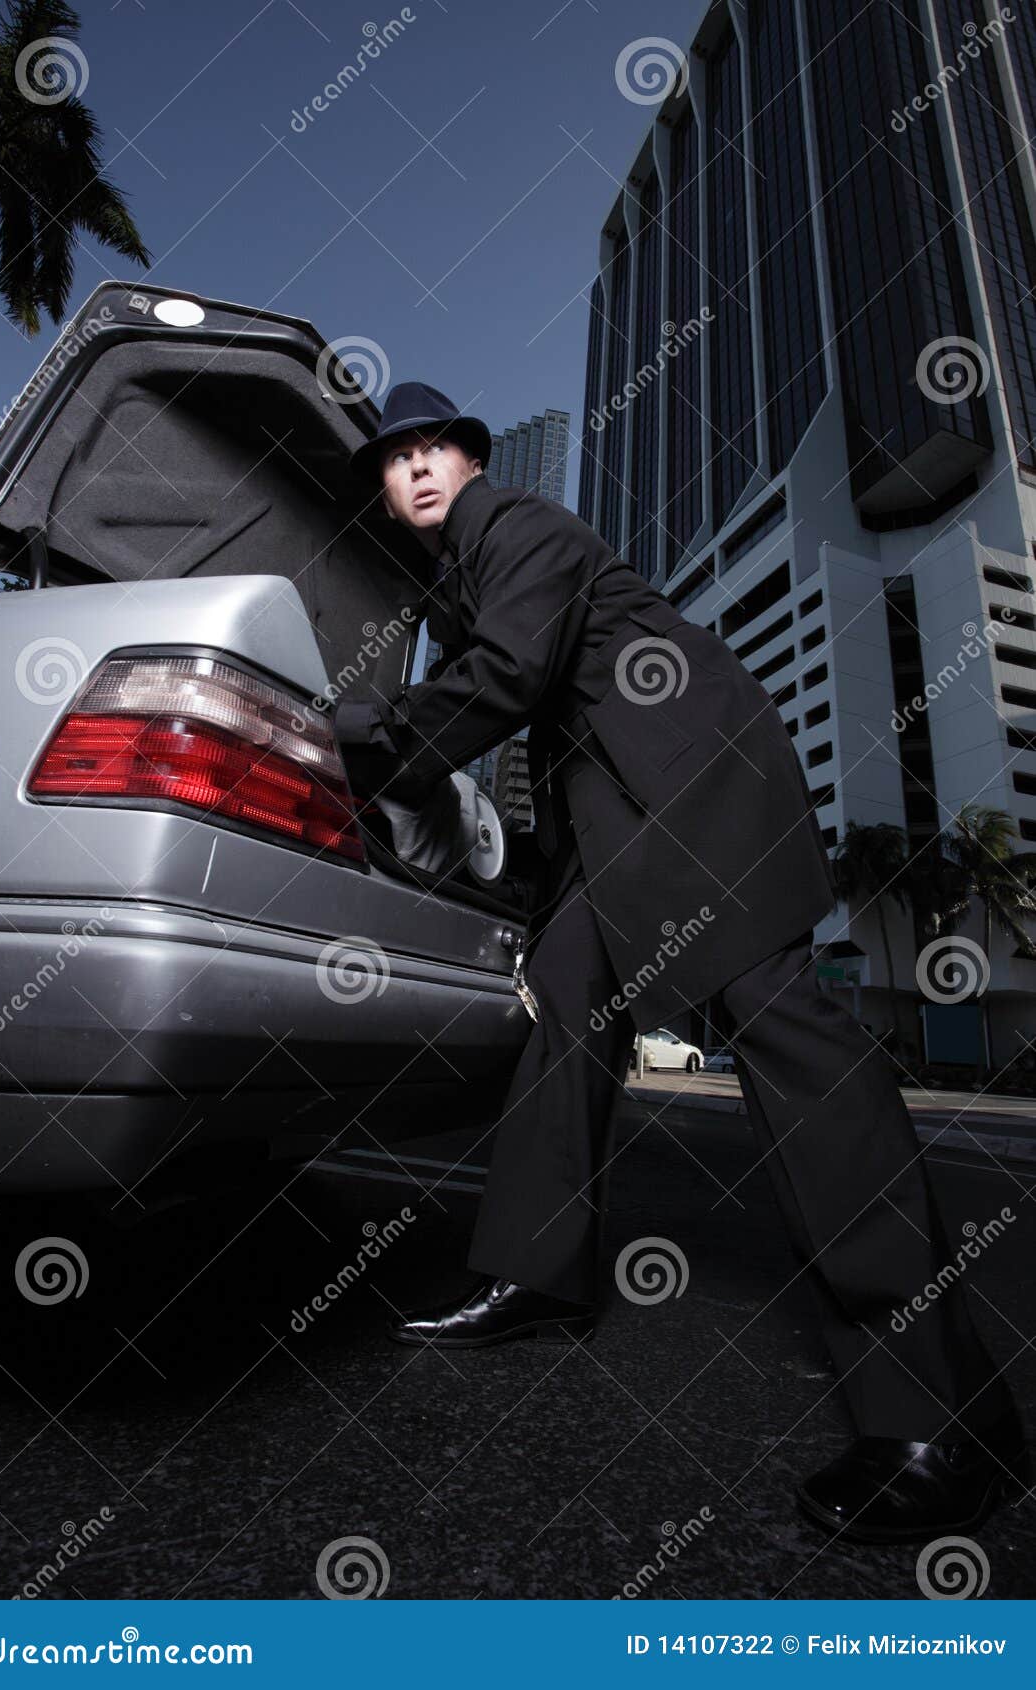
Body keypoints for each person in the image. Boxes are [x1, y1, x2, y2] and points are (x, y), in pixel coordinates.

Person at [333, 382, 1026, 1544]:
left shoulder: (517, 528)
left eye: (430, 449)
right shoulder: (455, 580)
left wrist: (345, 743)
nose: (410, 470)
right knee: (562, 999)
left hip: (698, 796)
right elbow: (548, 733)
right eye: (390, 460)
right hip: (614, 838)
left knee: (784, 1032)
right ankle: (537, 1273)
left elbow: (502, 679)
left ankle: (942, 1414)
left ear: (468, 459)